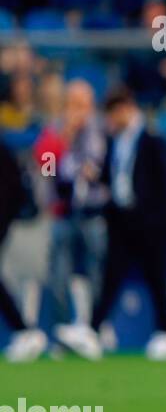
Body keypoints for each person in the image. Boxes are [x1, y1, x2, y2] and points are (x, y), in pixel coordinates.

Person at [55, 85, 166, 361]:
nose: (111, 120)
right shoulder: (116, 141)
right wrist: (94, 176)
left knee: (156, 277)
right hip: (122, 220)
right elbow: (116, 178)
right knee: (111, 278)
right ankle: (93, 330)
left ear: (125, 108)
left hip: (148, 221)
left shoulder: (152, 140)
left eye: (113, 113)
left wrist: (159, 219)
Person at [33, 78, 108, 332]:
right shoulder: (55, 131)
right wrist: (64, 137)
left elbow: (94, 168)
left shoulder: (98, 130)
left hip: (92, 212)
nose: (78, 110)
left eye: (83, 104)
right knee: (59, 274)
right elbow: (46, 167)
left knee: (96, 273)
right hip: (63, 213)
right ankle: (63, 330)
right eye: (73, 103)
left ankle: (95, 328)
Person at [1, 136, 47, 361]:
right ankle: (24, 330)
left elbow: (49, 170)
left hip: (42, 220)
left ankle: (25, 330)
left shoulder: (47, 144)